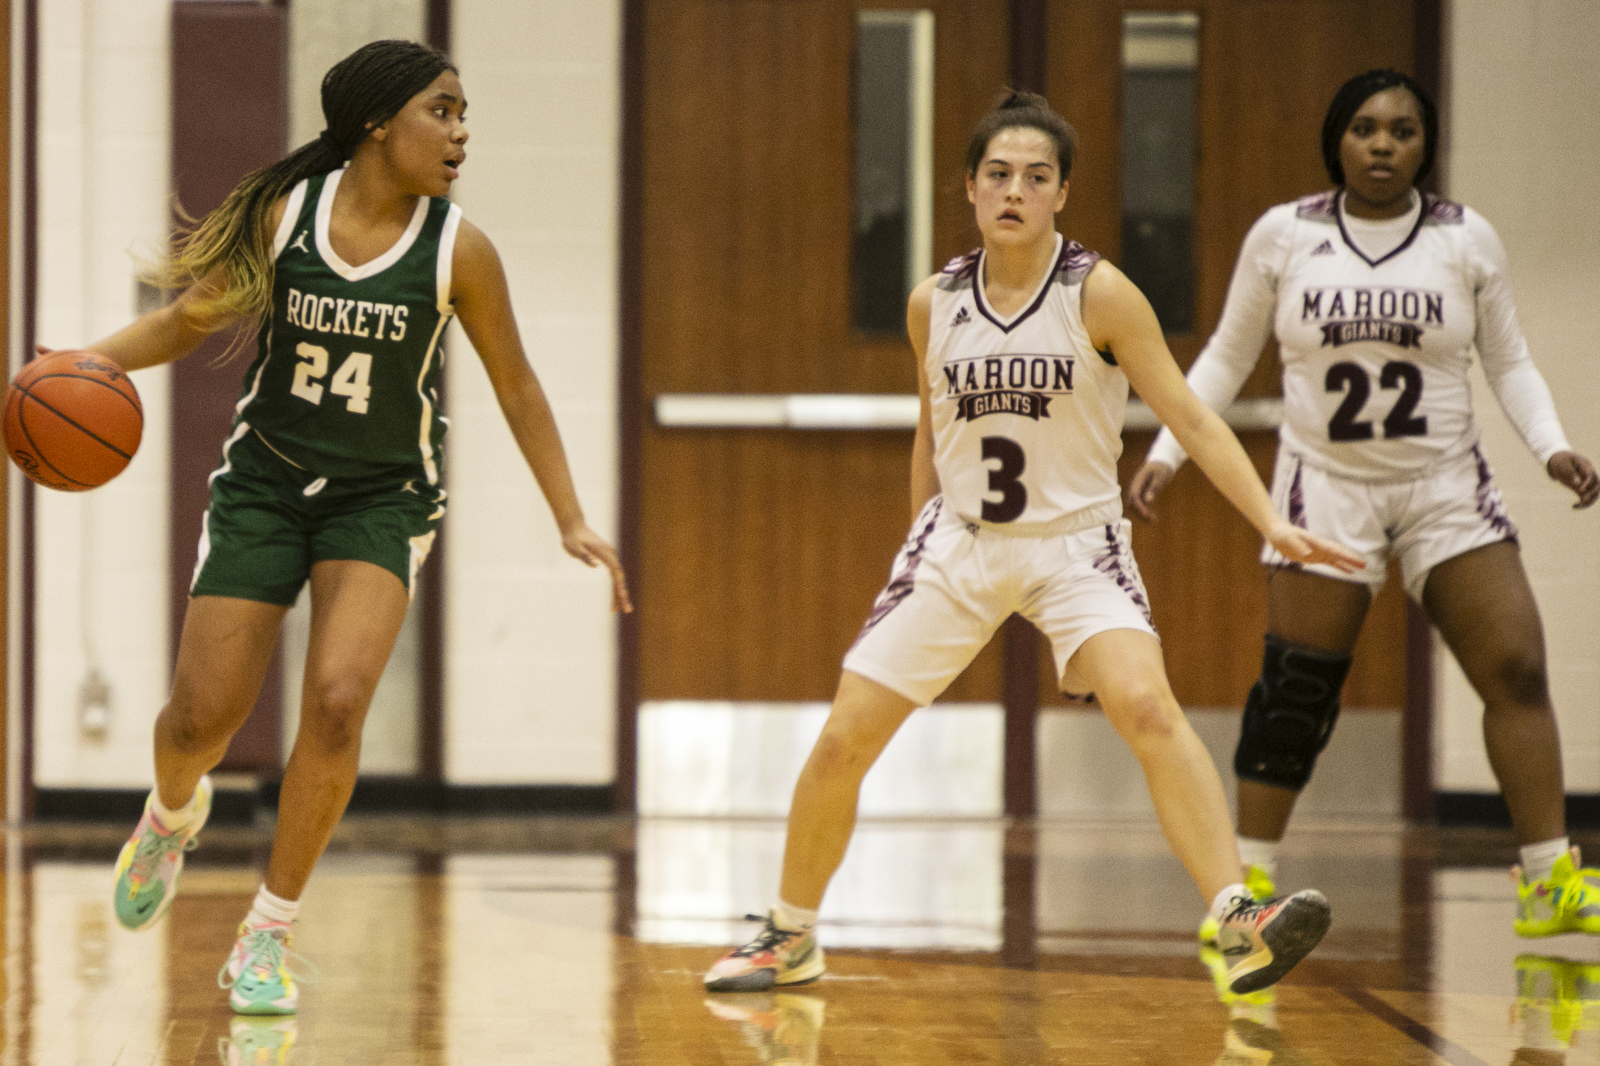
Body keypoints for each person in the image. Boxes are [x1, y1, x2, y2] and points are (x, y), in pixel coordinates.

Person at [703, 90, 1364, 997]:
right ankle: (789, 935)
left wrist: (1272, 520)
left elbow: (1192, 419)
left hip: (1075, 546)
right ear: (970, 189)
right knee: (844, 737)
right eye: (999, 174)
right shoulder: (931, 302)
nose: (1016, 190)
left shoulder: (1100, 293)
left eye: (1037, 177)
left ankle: (1238, 916)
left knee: (1147, 708)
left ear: (1062, 194)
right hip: (961, 542)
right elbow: (929, 429)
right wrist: (918, 541)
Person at [85, 40, 629, 1015]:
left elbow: (518, 385)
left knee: (336, 701)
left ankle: (266, 935)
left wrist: (571, 515)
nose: (461, 134)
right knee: (197, 720)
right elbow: (183, 323)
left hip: (381, 496)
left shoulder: (459, 249)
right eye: (443, 111)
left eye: (466, 117)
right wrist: (82, 365)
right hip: (265, 484)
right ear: (380, 121)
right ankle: (173, 812)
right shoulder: (285, 215)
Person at [1126, 69, 1600, 942]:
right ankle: (1245, 886)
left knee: (1519, 666)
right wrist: (1165, 454)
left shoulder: (1467, 240)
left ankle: (1548, 881)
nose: (1384, 145)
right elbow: (1226, 357)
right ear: (1337, 139)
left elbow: (1511, 362)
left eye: (1404, 130)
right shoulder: (1286, 235)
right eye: (1367, 129)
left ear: (1426, 144)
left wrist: (1553, 445)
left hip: (1444, 487)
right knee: (1297, 691)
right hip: (1326, 487)